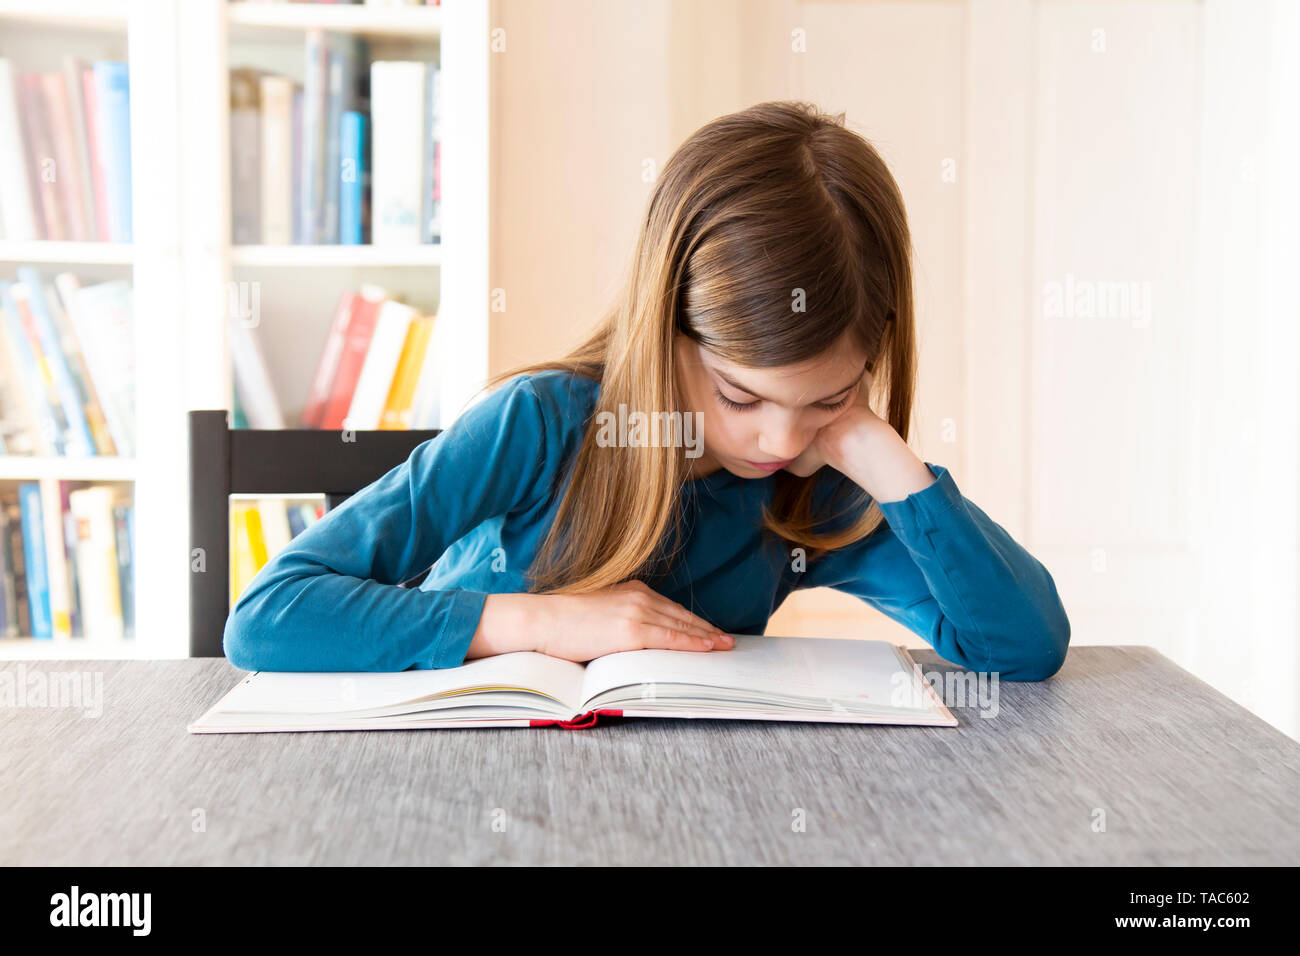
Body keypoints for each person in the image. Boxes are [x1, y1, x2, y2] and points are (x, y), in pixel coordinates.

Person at [224, 100, 1070, 682]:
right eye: (742, 397)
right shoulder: (540, 426)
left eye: (826, 398)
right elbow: (268, 614)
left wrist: (888, 464)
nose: (779, 441)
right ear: (664, 329)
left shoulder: (811, 492)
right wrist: (540, 623)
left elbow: (1021, 647)